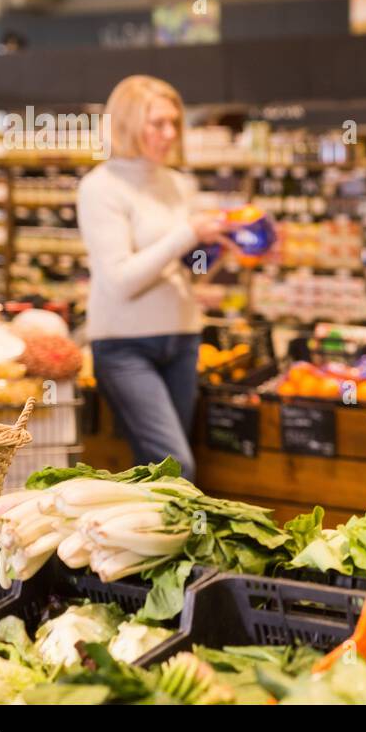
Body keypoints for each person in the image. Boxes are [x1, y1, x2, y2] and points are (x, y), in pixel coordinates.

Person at [77, 75, 228, 481]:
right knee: (176, 468)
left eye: (174, 123)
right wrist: (188, 234)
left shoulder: (179, 183)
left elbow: (187, 268)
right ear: (127, 124)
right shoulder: (100, 188)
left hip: (182, 339)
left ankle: (146, 543)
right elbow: (121, 281)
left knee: (155, 472)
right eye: (157, 123)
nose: (169, 134)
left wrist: (222, 250)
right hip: (125, 348)